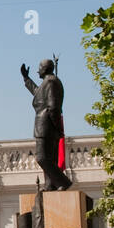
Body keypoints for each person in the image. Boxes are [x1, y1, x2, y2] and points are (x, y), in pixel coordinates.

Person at [21, 59, 72, 191]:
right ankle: (51, 185)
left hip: (46, 125)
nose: (38, 70)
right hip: (47, 125)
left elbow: (53, 106)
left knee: (42, 158)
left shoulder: (51, 81)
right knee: (50, 158)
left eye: (40, 67)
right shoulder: (49, 81)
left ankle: (63, 182)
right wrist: (27, 79)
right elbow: (37, 93)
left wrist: (56, 125)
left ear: (46, 68)